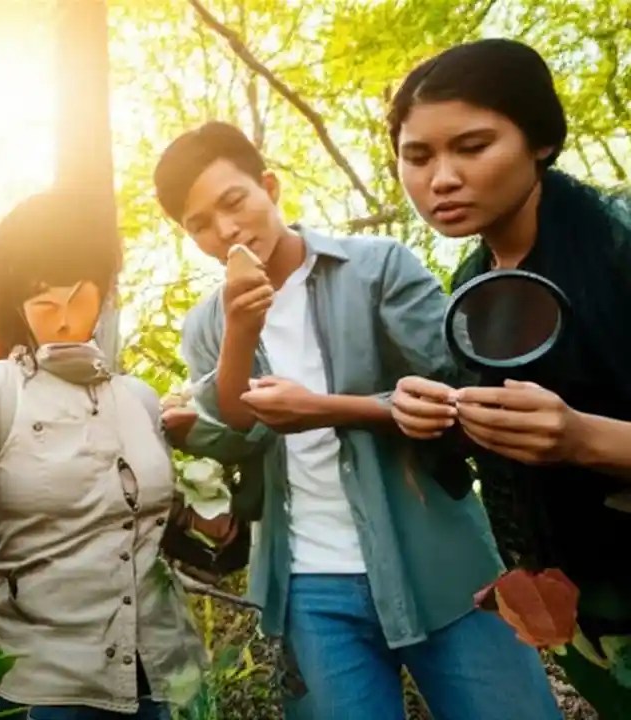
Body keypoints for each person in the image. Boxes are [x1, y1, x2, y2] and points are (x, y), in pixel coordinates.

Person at [153, 121, 559, 720]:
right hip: (310, 583)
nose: (226, 231)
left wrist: (323, 409)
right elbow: (240, 427)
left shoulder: (376, 268)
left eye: (234, 202)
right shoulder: (208, 324)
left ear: (270, 186)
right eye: (200, 226)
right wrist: (239, 335)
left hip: (440, 563)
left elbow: (457, 391)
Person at [0, 190, 205, 718]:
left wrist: (212, 518)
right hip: (42, 684)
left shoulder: (140, 399)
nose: (61, 317)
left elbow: (163, 529)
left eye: (77, 293)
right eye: (42, 298)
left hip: (158, 676)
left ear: (102, 290)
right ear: (17, 301)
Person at [388, 38, 631, 717]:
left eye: (472, 146)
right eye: (418, 155)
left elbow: (576, 433)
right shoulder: (473, 286)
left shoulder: (618, 247)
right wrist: (440, 421)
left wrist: (587, 439)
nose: (441, 178)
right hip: (590, 626)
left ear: (542, 142)